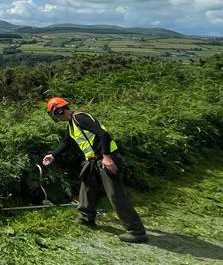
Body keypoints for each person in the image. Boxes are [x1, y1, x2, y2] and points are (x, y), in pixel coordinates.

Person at [41, 97, 148, 244]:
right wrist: (53, 155)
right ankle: (86, 219)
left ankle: (137, 231)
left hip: (106, 160)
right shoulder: (72, 125)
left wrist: (107, 157)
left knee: (115, 195)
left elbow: (104, 134)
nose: (55, 117)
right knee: (87, 189)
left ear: (59, 110)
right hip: (93, 162)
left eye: (55, 114)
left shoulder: (80, 118)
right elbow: (67, 142)